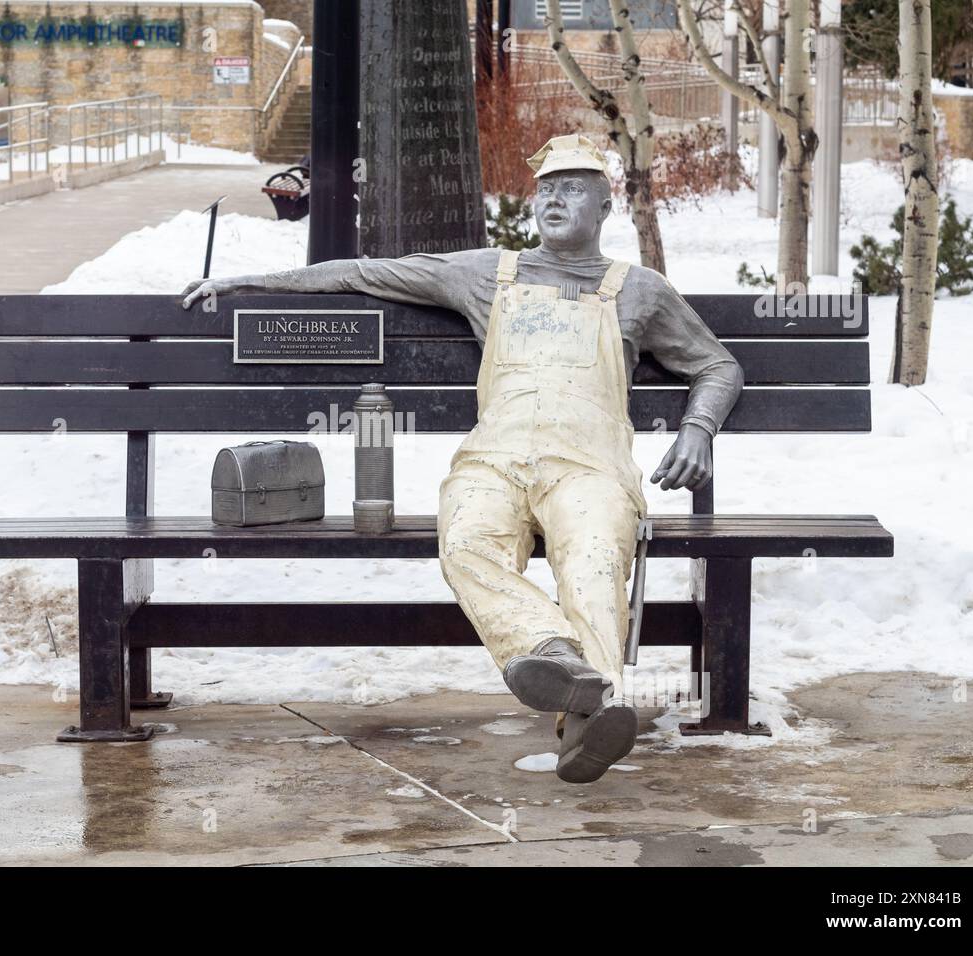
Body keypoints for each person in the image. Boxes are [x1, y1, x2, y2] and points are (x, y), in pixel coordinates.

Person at [182, 134, 743, 783]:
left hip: (590, 467)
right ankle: (558, 658)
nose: (555, 199)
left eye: (573, 188)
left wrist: (698, 429)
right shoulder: (487, 273)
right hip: (495, 462)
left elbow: (716, 364)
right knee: (467, 541)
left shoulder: (638, 290)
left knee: (594, 558)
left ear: (605, 206)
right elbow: (366, 272)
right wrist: (243, 279)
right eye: (547, 188)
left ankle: (586, 715)